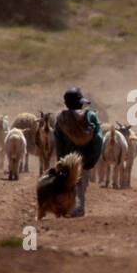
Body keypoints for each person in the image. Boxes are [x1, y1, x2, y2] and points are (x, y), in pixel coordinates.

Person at [53, 87, 102, 218]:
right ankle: (79, 208)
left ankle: (72, 207)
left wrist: (61, 161)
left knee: (71, 183)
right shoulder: (90, 116)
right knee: (82, 183)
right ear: (81, 103)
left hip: (69, 158)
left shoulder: (61, 118)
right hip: (85, 158)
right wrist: (93, 158)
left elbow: (58, 143)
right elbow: (98, 139)